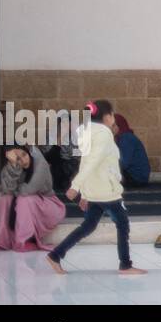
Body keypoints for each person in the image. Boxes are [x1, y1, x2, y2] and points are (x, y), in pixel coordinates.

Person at [47, 100, 146, 276]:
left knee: (88, 226)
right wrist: (76, 187)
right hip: (107, 192)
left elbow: (85, 161)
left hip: (94, 191)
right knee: (122, 224)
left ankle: (55, 255)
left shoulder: (86, 132)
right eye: (113, 115)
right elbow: (92, 162)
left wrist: (84, 193)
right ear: (107, 116)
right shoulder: (103, 134)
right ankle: (125, 265)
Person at [0, 145, 66, 252]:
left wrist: (15, 188)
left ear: (29, 153)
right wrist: (14, 165)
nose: (23, 160)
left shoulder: (41, 165)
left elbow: (27, 190)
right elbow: (7, 190)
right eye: (18, 159)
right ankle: (4, 240)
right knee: (5, 199)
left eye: (24, 155)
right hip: (30, 202)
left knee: (24, 199)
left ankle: (25, 240)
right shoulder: (11, 167)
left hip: (49, 206)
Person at [112, 114, 150, 188]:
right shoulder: (121, 138)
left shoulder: (126, 138)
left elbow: (123, 164)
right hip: (133, 175)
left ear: (119, 126)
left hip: (137, 178)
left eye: (113, 125)